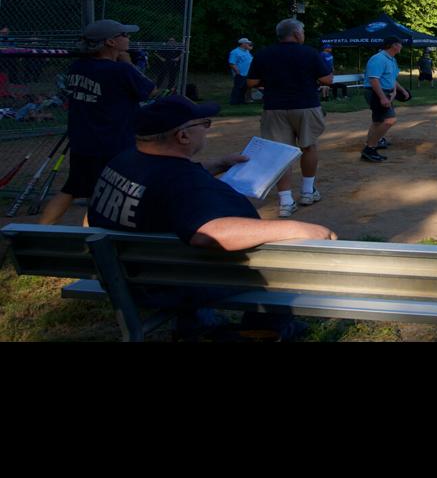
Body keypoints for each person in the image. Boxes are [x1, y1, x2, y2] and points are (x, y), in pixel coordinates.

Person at [85, 94, 336, 340]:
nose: (206, 129)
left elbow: (160, 184)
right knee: (270, 265)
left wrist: (216, 165)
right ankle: (266, 328)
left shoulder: (123, 161)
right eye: (203, 124)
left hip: (126, 275)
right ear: (182, 136)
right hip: (168, 283)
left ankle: (197, 324)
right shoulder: (185, 184)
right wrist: (293, 228)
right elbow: (210, 233)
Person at [35, 19, 157, 226]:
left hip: (83, 140)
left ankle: (40, 230)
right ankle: (93, 240)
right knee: (107, 194)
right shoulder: (120, 70)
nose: (128, 39)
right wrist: (126, 61)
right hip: (114, 142)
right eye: (124, 36)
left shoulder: (78, 66)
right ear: (110, 42)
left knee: (72, 188)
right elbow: (149, 90)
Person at [246, 18, 334, 217]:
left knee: (280, 153)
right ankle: (307, 191)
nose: (303, 35)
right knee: (309, 146)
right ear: (296, 34)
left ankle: (286, 202)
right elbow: (327, 79)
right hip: (306, 105)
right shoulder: (310, 53)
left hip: (274, 107)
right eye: (302, 32)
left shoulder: (264, 53)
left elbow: (251, 82)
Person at [361, 37, 409, 162]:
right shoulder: (378, 58)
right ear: (394, 45)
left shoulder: (392, 59)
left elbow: (391, 78)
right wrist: (382, 97)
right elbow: (373, 80)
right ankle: (370, 148)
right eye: (400, 44)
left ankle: (371, 145)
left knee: (377, 122)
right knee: (390, 120)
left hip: (385, 92)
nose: (401, 46)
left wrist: (399, 91)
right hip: (376, 92)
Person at [227, 37, 254, 105]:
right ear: (242, 44)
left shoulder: (247, 51)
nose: (249, 44)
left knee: (244, 88)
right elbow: (232, 63)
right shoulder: (235, 52)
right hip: (240, 73)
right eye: (247, 43)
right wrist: (237, 72)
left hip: (247, 73)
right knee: (238, 87)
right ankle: (234, 101)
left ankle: (241, 101)